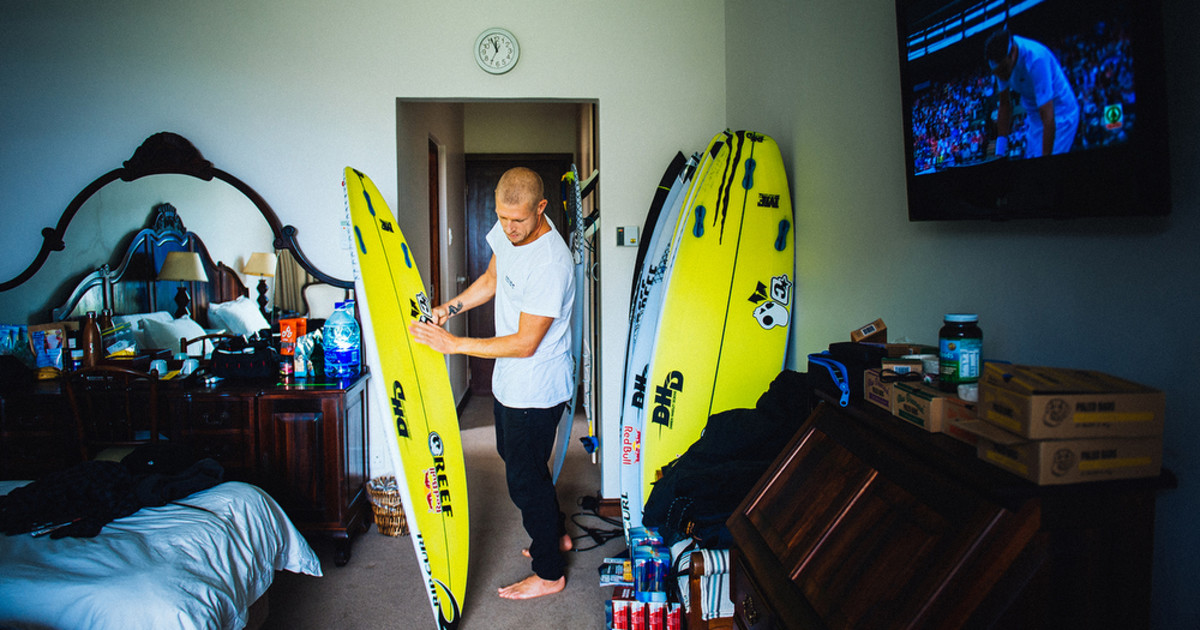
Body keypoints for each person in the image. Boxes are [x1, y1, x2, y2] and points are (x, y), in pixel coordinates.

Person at [409, 166, 575, 600]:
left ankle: (550, 572)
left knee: (524, 479)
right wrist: (448, 309)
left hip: (536, 386)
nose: (508, 228)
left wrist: (454, 345)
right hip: (510, 382)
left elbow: (525, 344)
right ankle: (556, 534)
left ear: (541, 208)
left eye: (517, 220)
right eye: (502, 217)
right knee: (520, 462)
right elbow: (491, 280)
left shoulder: (551, 263)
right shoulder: (508, 232)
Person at [986, 26, 1079, 159]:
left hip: (1060, 113)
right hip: (1035, 117)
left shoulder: (1036, 59)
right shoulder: (1001, 66)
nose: (1001, 77)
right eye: (997, 73)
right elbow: (1005, 105)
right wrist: (999, 152)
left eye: (1003, 70)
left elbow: (1048, 116)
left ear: (1013, 53)